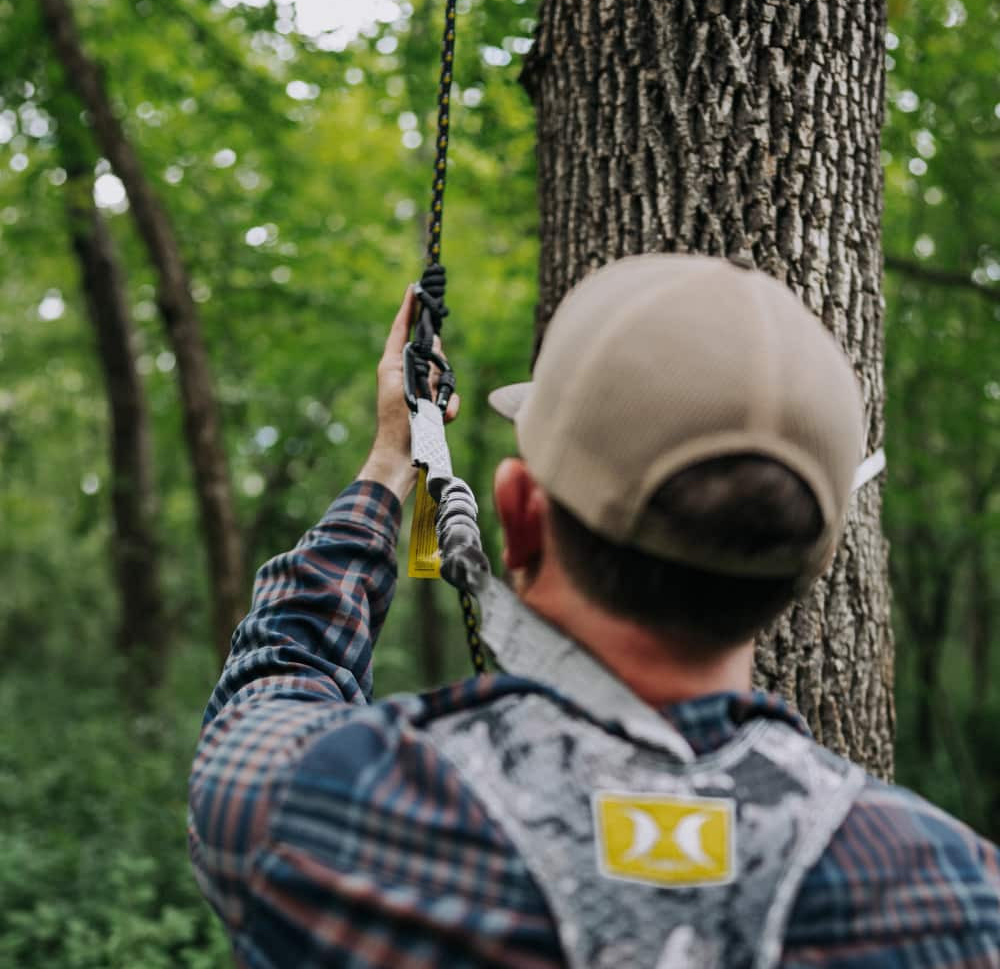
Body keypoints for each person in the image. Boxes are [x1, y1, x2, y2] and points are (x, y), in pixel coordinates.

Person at [189, 254, 1000, 968]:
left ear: (519, 514)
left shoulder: (335, 815)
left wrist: (391, 462)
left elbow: (275, 683)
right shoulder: (955, 899)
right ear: (807, 573)